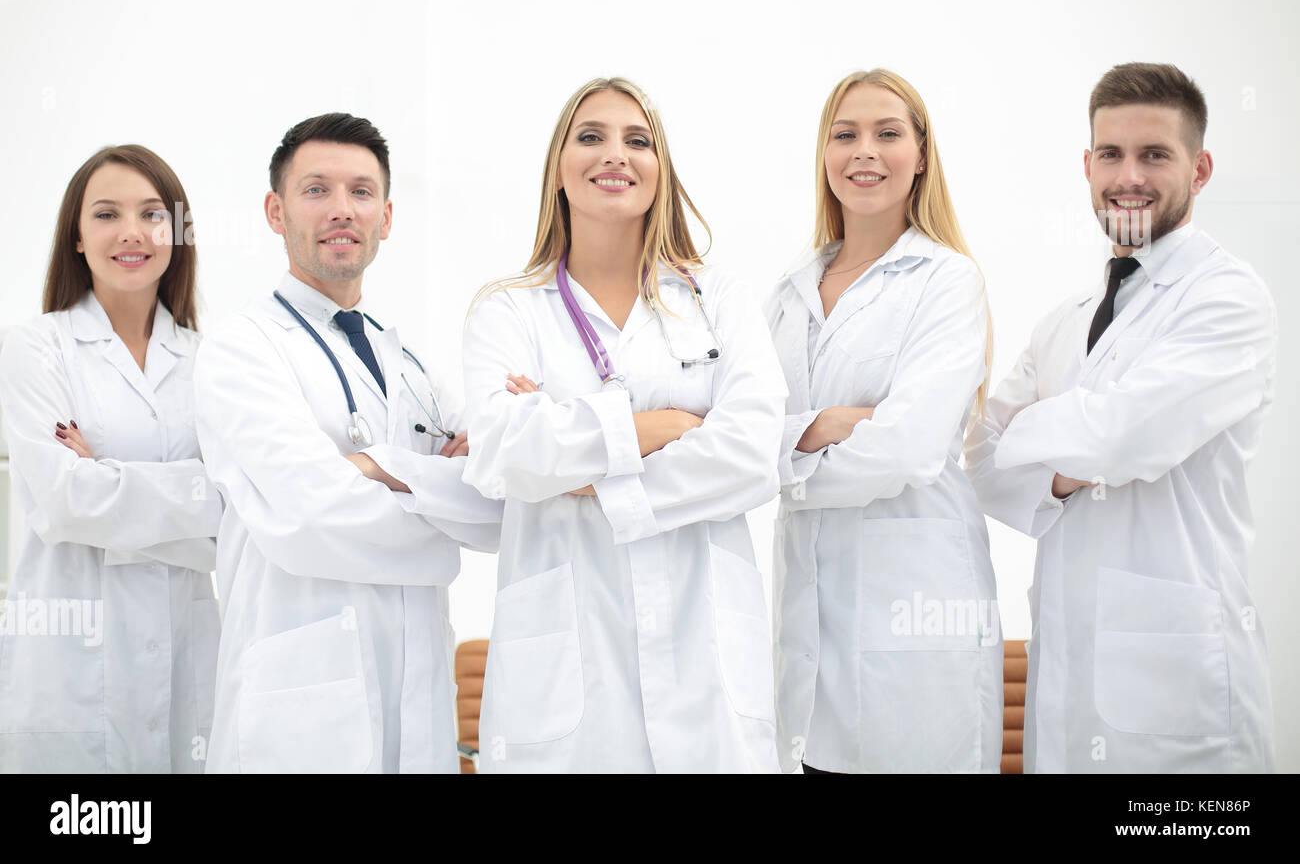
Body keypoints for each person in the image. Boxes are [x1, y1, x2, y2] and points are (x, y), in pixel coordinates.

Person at [458, 77, 786, 773]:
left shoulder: (717, 297)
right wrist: (662, 425)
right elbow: (503, 450)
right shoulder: (508, 310)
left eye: (638, 140)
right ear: (558, 167)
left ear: (660, 170)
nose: (616, 154)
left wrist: (585, 472)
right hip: (566, 681)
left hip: (708, 670)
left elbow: (753, 450)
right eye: (591, 136)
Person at [965, 62, 1276, 772]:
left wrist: (1055, 441)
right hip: (1068, 687)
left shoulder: (1227, 297)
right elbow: (981, 457)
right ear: (1087, 164)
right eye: (1111, 153)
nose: (1127, 175)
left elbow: (1124, 434)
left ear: (1199, 170)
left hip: (1180, 701)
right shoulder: (1063, 322)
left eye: (1154, 155)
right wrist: (1073, 461)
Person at [193, 113, 501, 773]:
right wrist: (433, 492)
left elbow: (497, 499)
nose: (341, 209)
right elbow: (311, 512)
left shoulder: (409, 362)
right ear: (276, 211)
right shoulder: (241, 349)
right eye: (316, 190)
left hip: (418, 705)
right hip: (301, 712)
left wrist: (374, 467)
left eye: (361, 192)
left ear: (385, 217)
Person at [766, 70, 1001, 774]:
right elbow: (740, 435)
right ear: (824, 154)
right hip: (811, 630)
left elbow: (906, 450)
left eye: (887, 133)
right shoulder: (788, 291)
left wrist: (782, 459)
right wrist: (828, 425)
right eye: (846, 134)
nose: (864, 151)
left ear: (921, 155)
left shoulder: (947, 280)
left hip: (917, 621)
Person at [0, 145, 222, 773]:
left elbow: (243, 518)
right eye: (105, 214)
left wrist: (106, 479)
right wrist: (199, 499)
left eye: (153, 213)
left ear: (177, 234)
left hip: (189, 664)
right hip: (70, 672)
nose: (132, 232)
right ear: (76, 235)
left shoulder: (213, 364)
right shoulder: (36, 348)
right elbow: (65, 506)